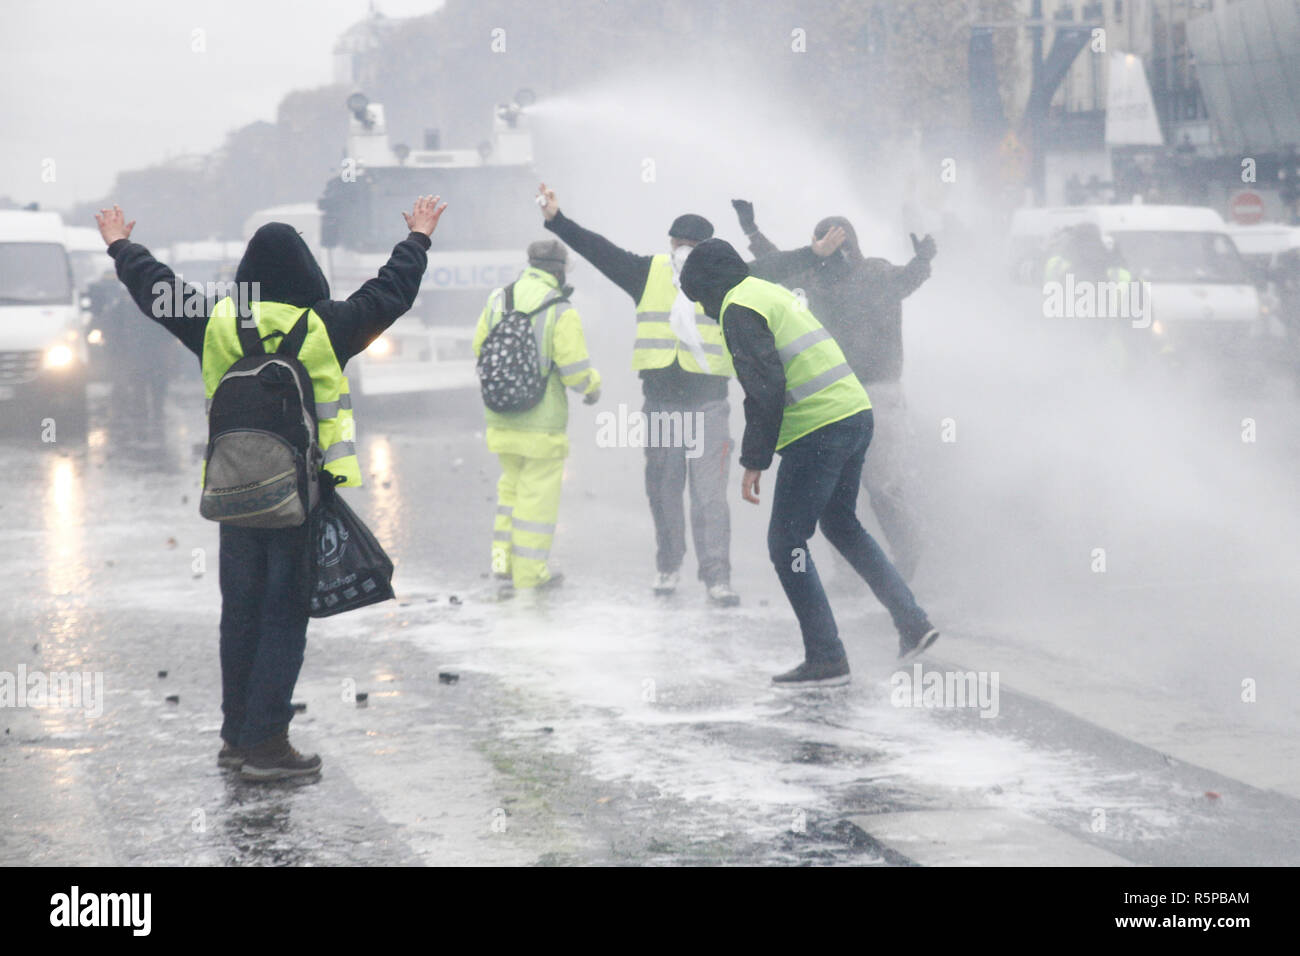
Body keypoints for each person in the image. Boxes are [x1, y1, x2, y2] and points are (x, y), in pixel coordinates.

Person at [94, 196, 445, 780]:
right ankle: (268, 744)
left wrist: (120, 246)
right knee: (284, 616)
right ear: (308, 274)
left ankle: (237, 737)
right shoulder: (328, 326)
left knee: (240, 616)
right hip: (299, 499)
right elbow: (392, 293)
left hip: (234, 496)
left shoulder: (215, 323)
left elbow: (157, 290)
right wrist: (419, 238)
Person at [679, 238, 938, 687]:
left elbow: (765, 387)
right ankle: (912, 623)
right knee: (842, 525)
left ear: (709, 287)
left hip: (818, 428)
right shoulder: (768, 292)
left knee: (786, 543)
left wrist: (754, 461)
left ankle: (826, 656)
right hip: (855, 413)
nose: (703, 309)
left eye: (700, 298)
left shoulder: (737, 308)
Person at [538, 184, 740, 607]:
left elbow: (774, 275)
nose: (684, 249)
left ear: (708, 249)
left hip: (708, 403)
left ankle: (717, 576)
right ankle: (669, 564)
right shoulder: (646, 273)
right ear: (670, 243)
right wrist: (558, 221)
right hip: (663, 404)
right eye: (679, 242)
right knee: (664, 491)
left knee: (709, 497)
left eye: (692, 244)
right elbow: (599, 250)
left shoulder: (728, 281)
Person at [735, 200, 935, 581]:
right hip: (833, 397)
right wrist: (752, 232)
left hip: (878, 394)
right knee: (832, 489)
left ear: (852, 246)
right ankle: (847, 568)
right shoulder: (812, 278)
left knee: (883, 485)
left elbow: (906, 279)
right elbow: (777, 262)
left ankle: (908, 554)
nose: (836, 255)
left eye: (841, 244)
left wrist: (922, 261)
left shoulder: (875, 273)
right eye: (827, 244)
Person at [473, 239, 602, 593]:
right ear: (559, 270)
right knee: (536, 506)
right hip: (541, 426)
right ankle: (530, 577)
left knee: (509, 495)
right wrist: (593, 387)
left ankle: (502, 567)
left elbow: (478, 347)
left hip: (501, 419)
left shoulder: (500, 298)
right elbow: (575, 371)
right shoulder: (560, 308)